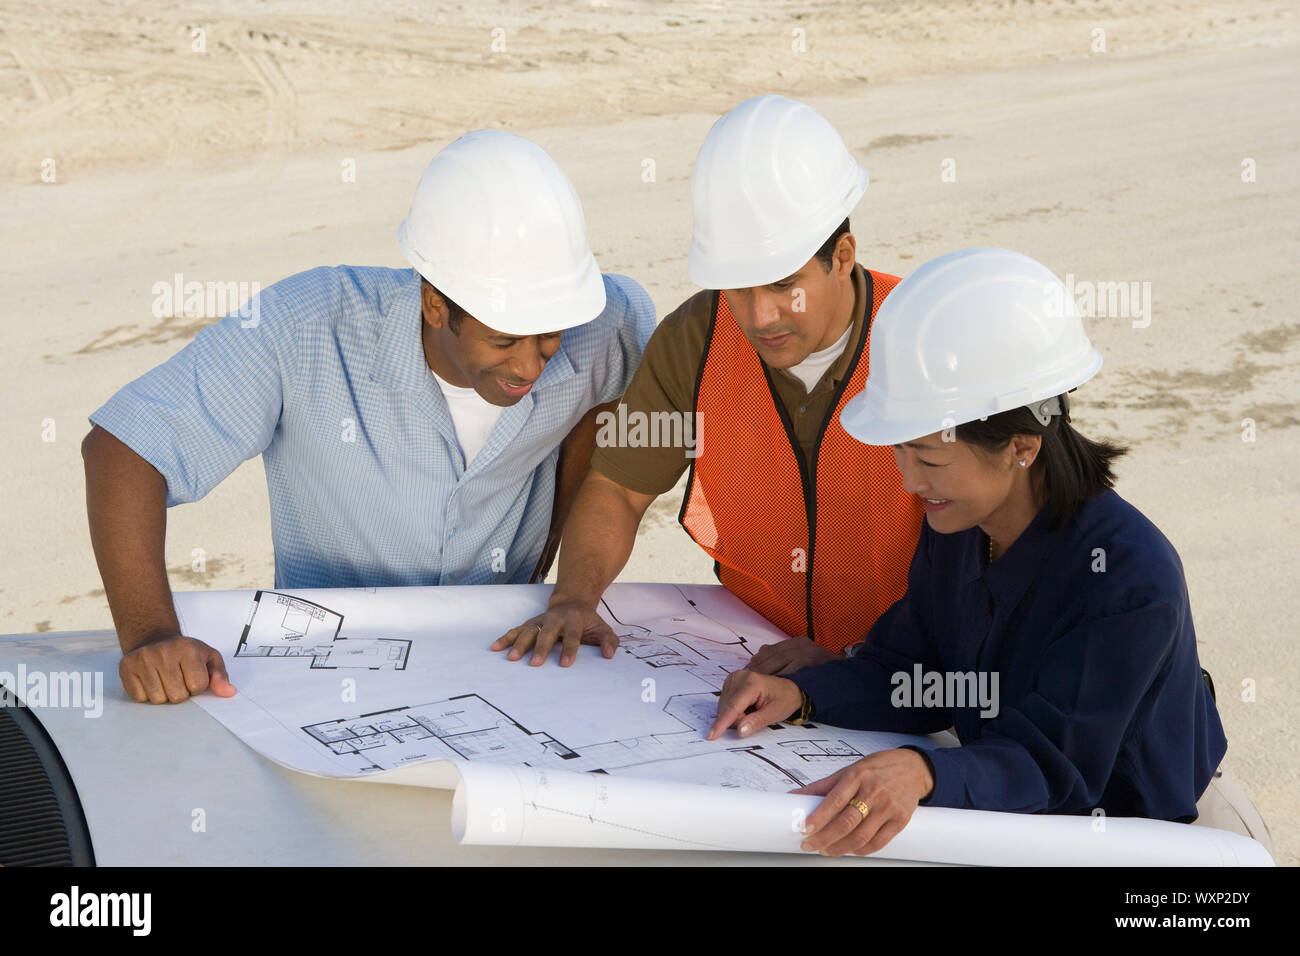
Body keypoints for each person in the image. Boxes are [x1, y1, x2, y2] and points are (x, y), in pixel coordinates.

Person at [708, 247, 1271, 858]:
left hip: (1164, 843)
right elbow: (920, 674)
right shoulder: (959, 525)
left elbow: (1054, 766)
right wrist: (810, 694)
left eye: (928, 458)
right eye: (900, 452)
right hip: (1024, 826)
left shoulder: (1129, 579)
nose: (909, 482)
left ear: (1021, 445)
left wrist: (924, 773)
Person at [83, 130, 655, 705]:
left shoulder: (609, 326)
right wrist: (151, 634)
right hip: (321, 667)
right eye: (504, 339)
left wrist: (568, 589)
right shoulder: (304, 326)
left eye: (550, 334)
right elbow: (125, 449)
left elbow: (627, 430)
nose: (531, 364)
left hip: (509, 657)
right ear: (436, 305)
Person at [492, 95, 924, 669]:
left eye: (781, 285)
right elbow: (620, 488)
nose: (760, 315)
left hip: (911, 670)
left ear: (842, 256)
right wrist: (574, 599)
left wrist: (865, 666)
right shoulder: (694, 339)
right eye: (738, 286)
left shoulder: (924, 337)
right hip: (756, 650)